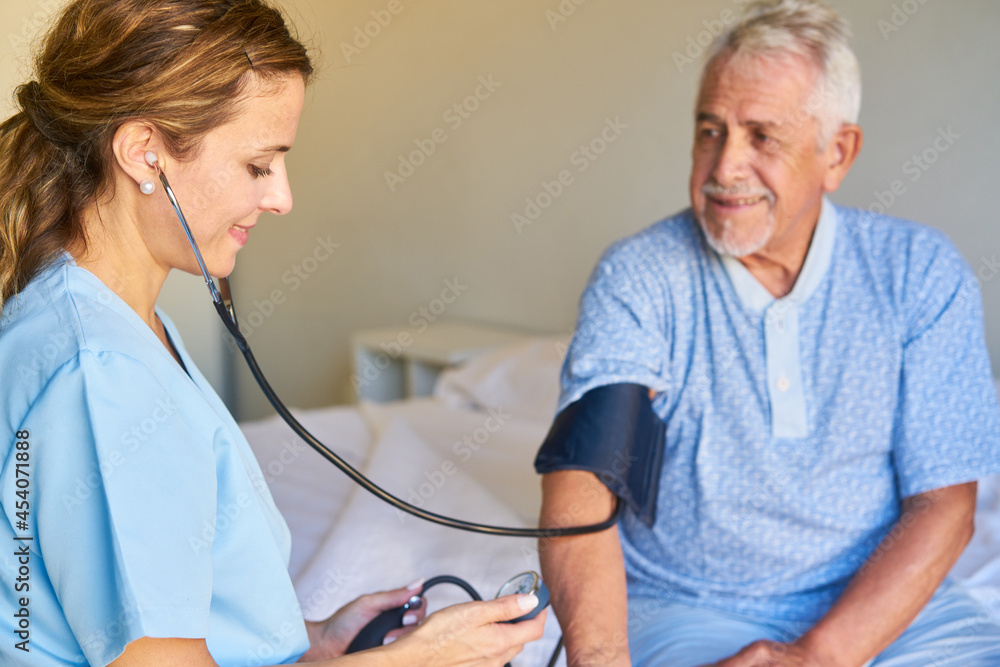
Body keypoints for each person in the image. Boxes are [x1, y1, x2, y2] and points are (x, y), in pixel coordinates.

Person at [0, 1, 544, 665]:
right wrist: (416, 659)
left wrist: (311, 642)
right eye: (259, 164)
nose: (282, 197)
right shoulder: (104, 376)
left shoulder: (103, 321)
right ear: (145, 154)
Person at [537, 1, 1000, 665]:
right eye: (709, 131)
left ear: (836, 153)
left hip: (892, 604)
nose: (725, 168)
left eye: (762, 137)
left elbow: (945, 507)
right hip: (686, 602)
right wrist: (602, 659)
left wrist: (820, 654)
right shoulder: (640, 276)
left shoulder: (920, 274)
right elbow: (583, 481)